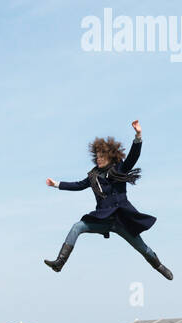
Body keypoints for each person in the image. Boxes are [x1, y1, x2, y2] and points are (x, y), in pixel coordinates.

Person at [44, 119, 171, 278]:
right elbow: (78, 185)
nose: (98, 158)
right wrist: (57, 184)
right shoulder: (93, 175)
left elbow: (133, 157)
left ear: (110, 156)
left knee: (142, 248)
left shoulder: (119, 168)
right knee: (77, 227)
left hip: (121, 220)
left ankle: (159, 266)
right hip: (102, 220)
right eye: (97, 156)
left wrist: (138, 135)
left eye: (102, 156)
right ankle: (59, 263)